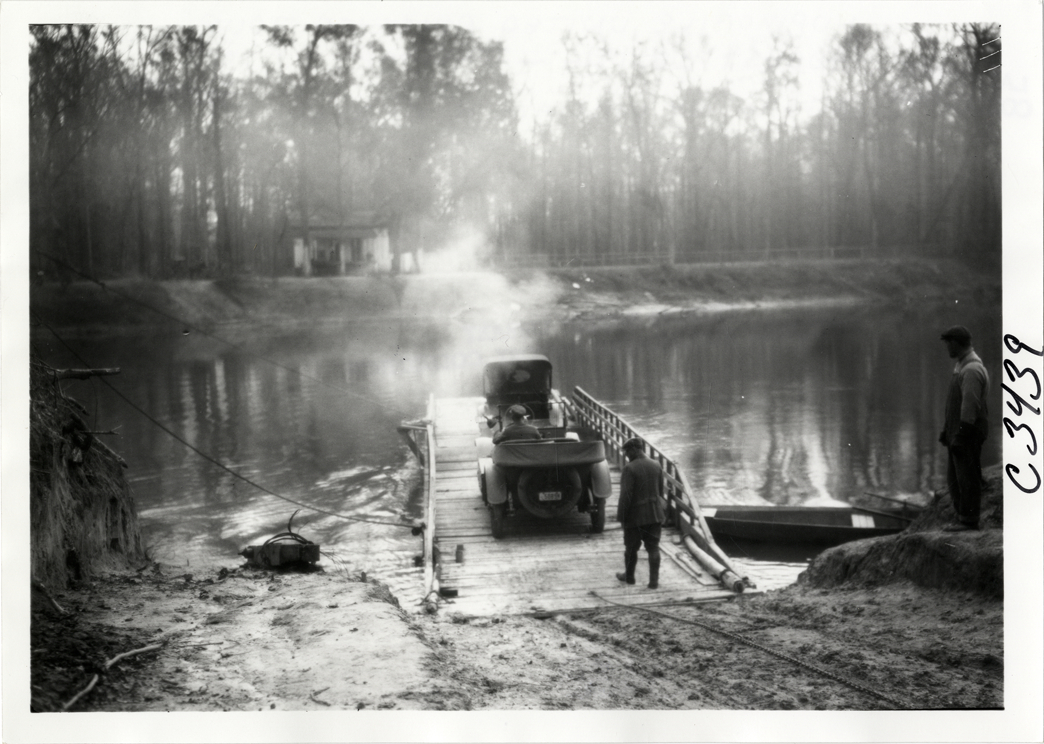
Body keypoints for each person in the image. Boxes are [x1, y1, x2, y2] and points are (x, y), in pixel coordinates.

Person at [938, 325, 990, 532]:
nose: (947, 348)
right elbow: (954, 404)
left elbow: (969, 405)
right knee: (955, 477)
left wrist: (960, 434)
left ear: (956, 344)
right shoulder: (962, 365)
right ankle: (963, 517)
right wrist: (946, 429)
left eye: (948, 344)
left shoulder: (971, 370)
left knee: (966, 477)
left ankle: (969, 521)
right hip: (958, 430)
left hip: (967, 431)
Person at [616, 437, 666, 589]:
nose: (626, 455)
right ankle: (653, 582)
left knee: (631, 548)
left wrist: (622, 517)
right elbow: (660, 491)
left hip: (635, 517)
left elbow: (626, 496)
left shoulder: (629, 469)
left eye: (627, 452)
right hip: (655, 514)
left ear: (635, 450)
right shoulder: (656, 465)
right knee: (653, 547)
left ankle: (629, 577)